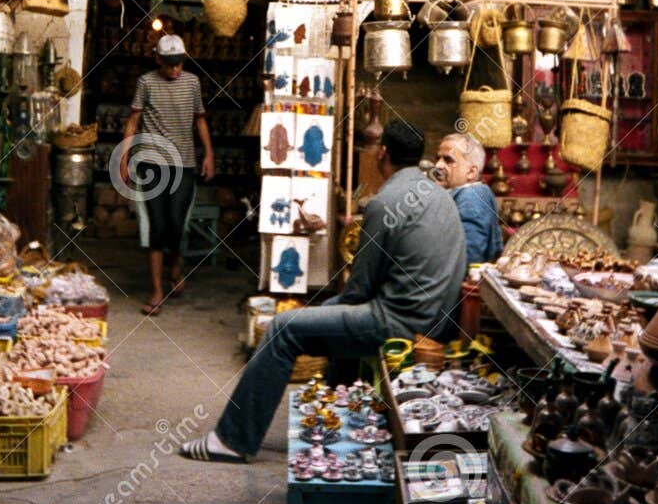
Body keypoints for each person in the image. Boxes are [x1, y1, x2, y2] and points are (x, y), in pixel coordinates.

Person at [180, 121, 464, 463]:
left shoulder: (385, 202)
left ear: (383, 153)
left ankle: (232, 440)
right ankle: (331, 420)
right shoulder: (439, 194)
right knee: (330, 313)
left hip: (401, 322)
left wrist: (328, 310)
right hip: (437, 318)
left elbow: (358, 290)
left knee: (284, 327)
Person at [119, 33, 214, 315]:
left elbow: (200, 120)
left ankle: (175, 265)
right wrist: (124, 158)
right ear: (157, 58)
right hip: (152, 164)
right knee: (157, 227)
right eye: (169, 64)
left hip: (184, 164)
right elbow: (133, 121)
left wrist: (209, 154)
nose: (175, 70)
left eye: (179, 63)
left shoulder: (192, 82)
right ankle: (157, 290)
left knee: (176, 223)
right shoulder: (146, 82)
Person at [433, 131, 503, 267]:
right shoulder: (467, 193)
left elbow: (469, 257)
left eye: (448, 160)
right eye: (438, 158)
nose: (438, 165)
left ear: (471, 172)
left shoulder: (471, 197)